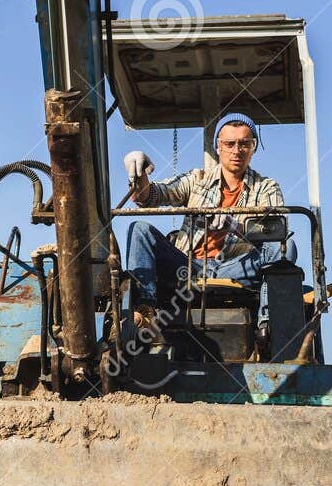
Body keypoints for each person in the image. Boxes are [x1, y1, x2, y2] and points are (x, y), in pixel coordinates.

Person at [123, 111, 296, 333]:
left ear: (253, 148)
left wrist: (236, 226)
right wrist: (138, 178)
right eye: (229, 143)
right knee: (139, 229)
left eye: (245, 144)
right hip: (188, 267)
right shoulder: (197, 180)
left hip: (235, 269)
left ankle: (267, 323)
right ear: (218, 146)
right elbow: (150, 196)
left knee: (285, 247)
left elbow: (275, 232)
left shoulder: (266, 187)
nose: (236, 150)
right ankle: (145, 309)